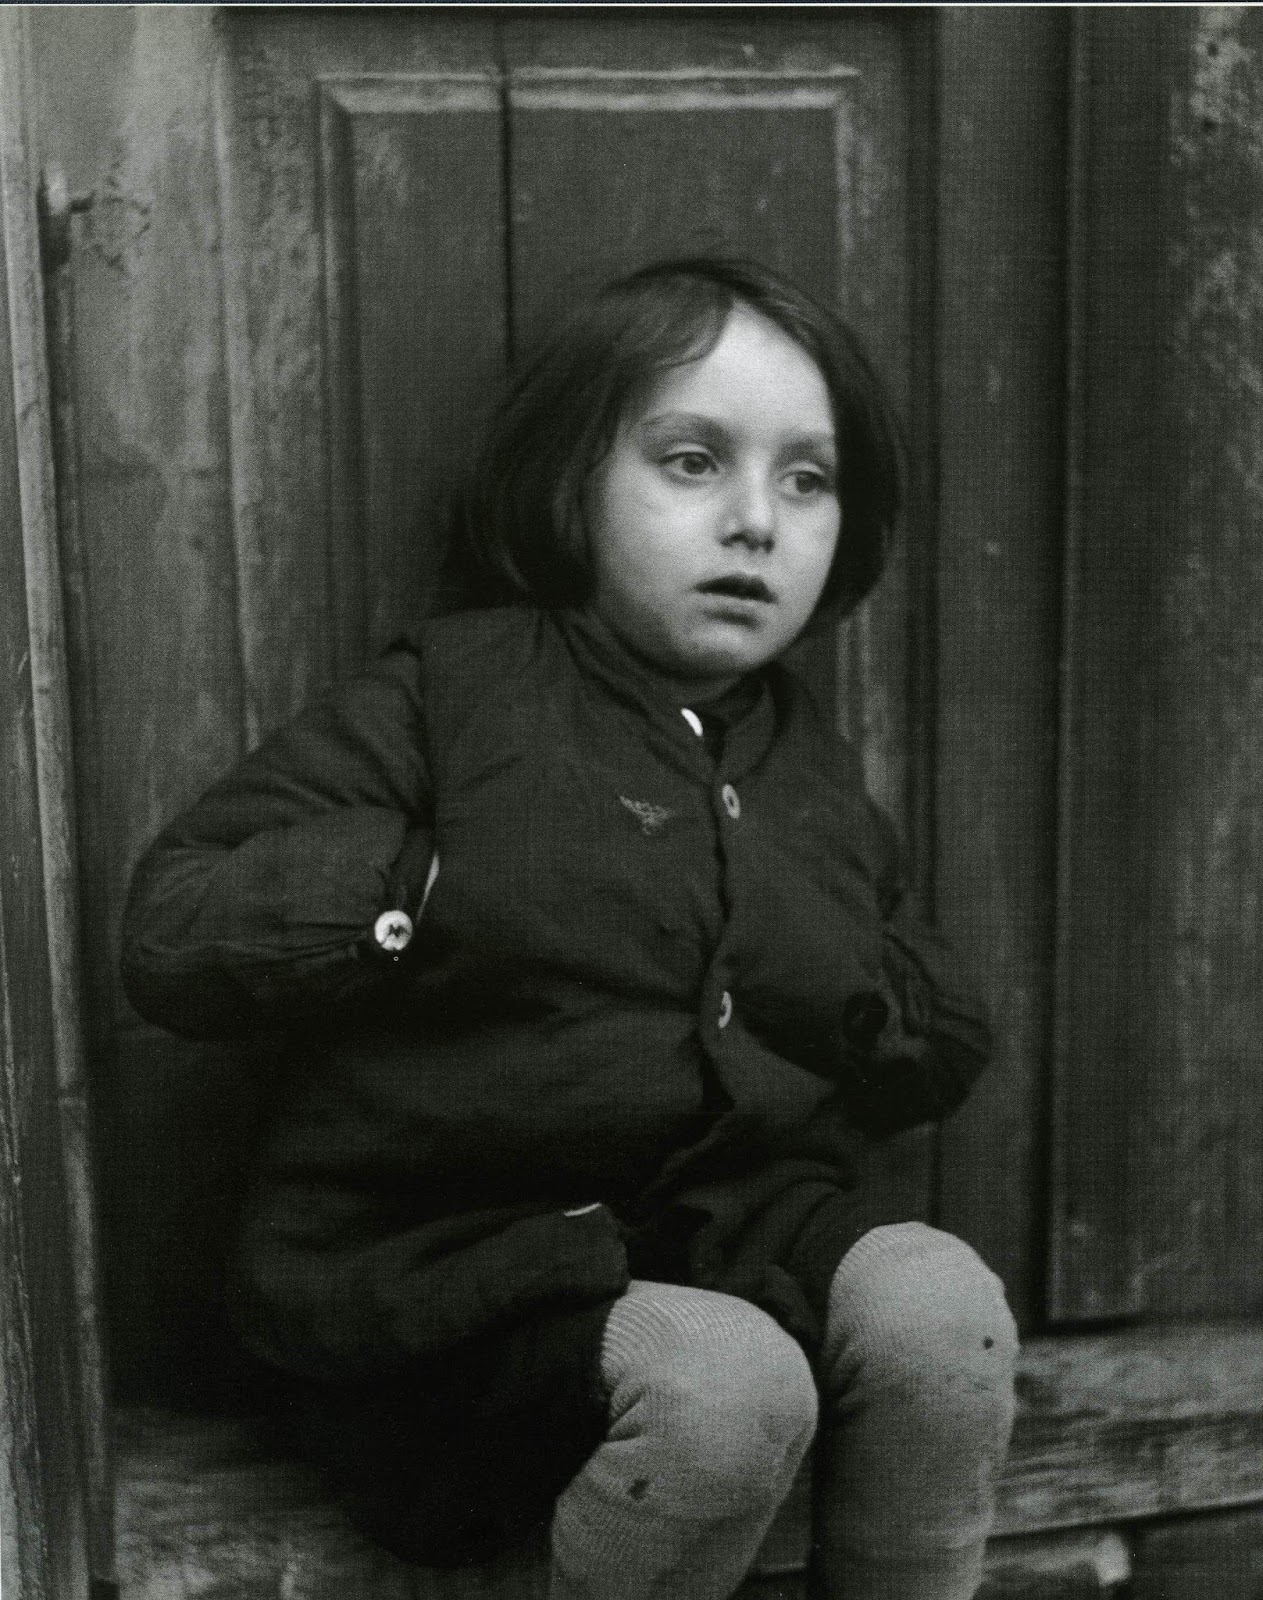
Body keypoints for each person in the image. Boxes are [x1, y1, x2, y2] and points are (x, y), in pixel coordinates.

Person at [121, 258, 1018, 1600]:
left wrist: (865, 998)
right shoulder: (456, 693)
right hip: (461, 1274)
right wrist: (416, 891)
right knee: (729, 1393)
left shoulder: (809, 771)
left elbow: (925, 1041)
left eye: (808, 480)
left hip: (734, 1232)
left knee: (943, 1311)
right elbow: (178, 921)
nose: (757, 523)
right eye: (694, 461)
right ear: (567, 482)